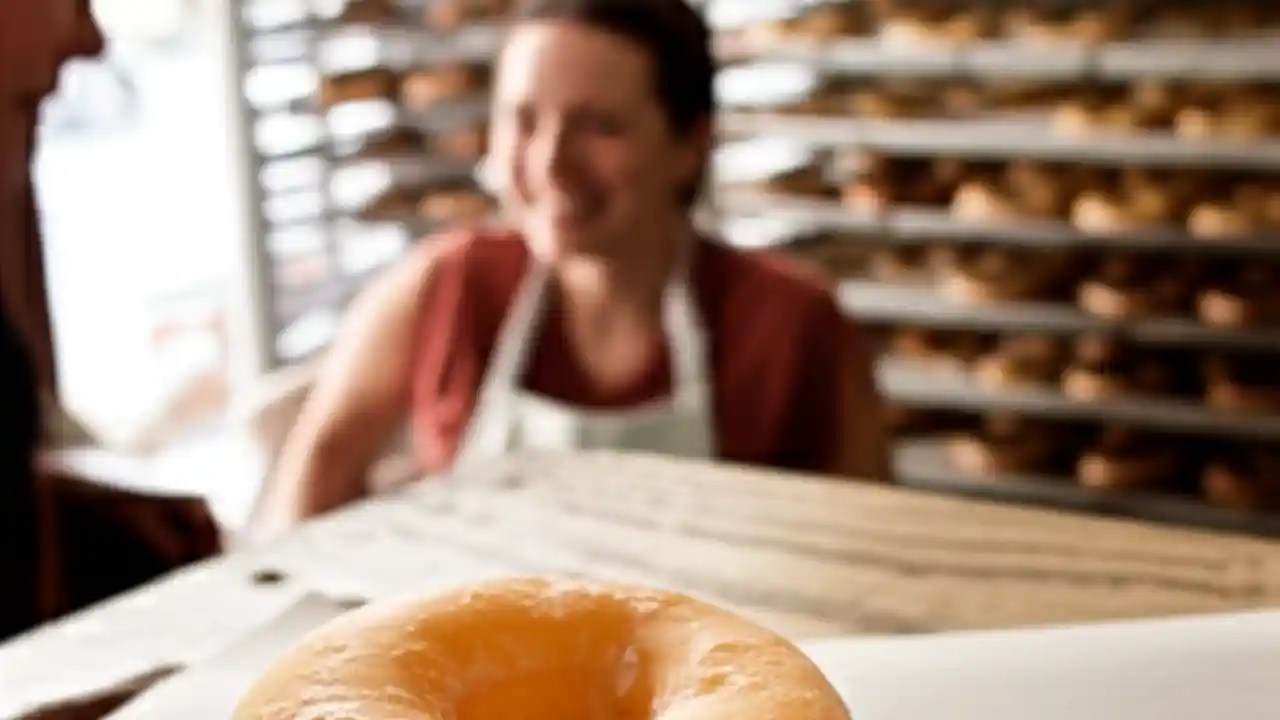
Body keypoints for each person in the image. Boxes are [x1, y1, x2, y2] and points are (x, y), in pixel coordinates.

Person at [250, 0, 890, 539]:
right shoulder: (446, 286)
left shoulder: (794, 322)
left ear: (689, 144)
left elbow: (876, 556)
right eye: (523, 120)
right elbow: (309, 492)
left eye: (599, 127)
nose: (550, 163)